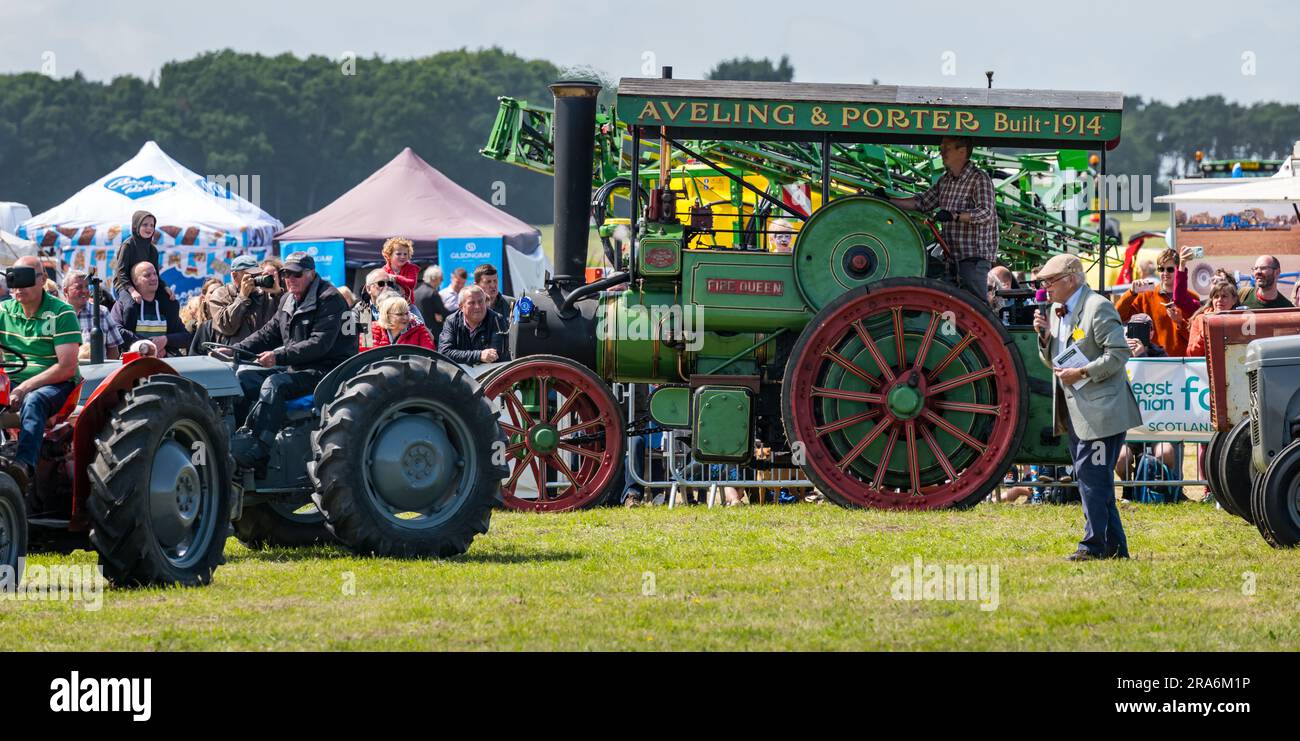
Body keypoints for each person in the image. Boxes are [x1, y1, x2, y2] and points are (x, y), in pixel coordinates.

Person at [1032, 253, 1141, 560]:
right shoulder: (1056, 311)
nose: (1046, 288)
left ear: (1072, 279)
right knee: (1095, 480)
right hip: (1078, 411)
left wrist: (1082, 373)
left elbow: (1119, 355)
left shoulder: (1099, 307)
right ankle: (1115, 548)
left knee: (1093, 480)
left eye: (1050, 281)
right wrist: (1044, 337)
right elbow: (1054, 359)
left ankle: (1093, 547)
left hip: (1102, 411)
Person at [214, 252, 355, 467]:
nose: (289, 278)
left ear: (311, 274)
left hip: (328, 371)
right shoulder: (289, 299)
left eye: (295, 274)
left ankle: (260, 452)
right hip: (298, 368)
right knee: (243, 379)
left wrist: (278, 356)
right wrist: (234, 350)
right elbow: (269, 333)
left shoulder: (329, 298)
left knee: (274, 384)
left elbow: (320, 344)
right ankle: (239, 440)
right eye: (285, 273)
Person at [877, 136, 998, 298]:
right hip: (950, 258)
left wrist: (954, 216)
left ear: (961, 152)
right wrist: (888, 201)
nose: (941, 152)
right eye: (941, 148)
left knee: (976, 307)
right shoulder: (945, 180)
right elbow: (922, 202)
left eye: (945, 148)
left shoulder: (979, 178)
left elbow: (986, 213)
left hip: (972, 259)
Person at [0, 256, 81, 482]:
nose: (18, 286)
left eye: (25, 279)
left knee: (33, 401)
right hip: (14, 381)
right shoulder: (3, 311)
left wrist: (23, 388)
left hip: (56, 384)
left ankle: (24, 467)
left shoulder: (61, 312)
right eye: (13, 279)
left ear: (43, 279)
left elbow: (66, 367)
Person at [1114, 247, 1195, 357]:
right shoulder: (1145, 296)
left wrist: (1180, 323)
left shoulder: (1191, 298)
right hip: (1154, 362)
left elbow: (1196, 338)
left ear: (1177, 269)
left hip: (1181, 365)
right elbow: (1117, 316)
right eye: (1161, 269)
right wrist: (1131, 292)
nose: (1165, 273)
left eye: (1170, 269)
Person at [110, 261, 191, 356]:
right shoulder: (124, 304)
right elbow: (115, 331)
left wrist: (166, 339)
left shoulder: (167, 305)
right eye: (147, 275)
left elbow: (186, 337)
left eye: (155, 274)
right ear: (135, 281)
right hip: (132, 365)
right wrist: (149, 346)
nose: (153, 278)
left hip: (163, 366)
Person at [205, 254, 281, 345]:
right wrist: (242, 297)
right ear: (234, 275)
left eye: (257, 274)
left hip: (264, 352)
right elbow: (227, 328)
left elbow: (283, 319)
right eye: (250, 275)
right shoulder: (220, 295)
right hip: (233, 353)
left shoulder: (264, 293)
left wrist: (278, 293)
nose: (254, 278)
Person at [438, 285, 509, 366]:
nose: (477, 306)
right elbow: (444, 353)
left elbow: (495, 355)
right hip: (460, 375)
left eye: (480, 301)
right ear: (461, 307)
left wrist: (466, 356)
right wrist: (479, 355)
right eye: (471, 303)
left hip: (489, 374)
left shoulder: (497, 319)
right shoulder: (452, 321)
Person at [61, 269, 124, 360]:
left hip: (98, 372)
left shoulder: (102, 312)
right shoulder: (57, 314)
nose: (85, 291)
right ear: (65, 291)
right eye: (78, 287)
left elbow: (113, 350)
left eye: (87, 286)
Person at [112, 210, 167, 305]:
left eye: (152, 225)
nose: (149, 228)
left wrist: (166, 288)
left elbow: (156, 274)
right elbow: (121, 272)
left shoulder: (152, 249)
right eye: (145, 224)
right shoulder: (127, 246)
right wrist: (132, 291)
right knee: (130, 306)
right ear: (136, 226)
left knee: (171, 302)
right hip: (125, 285)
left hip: (144, 286)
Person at [1186, 282, 1243, 357]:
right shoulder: (1200, 319)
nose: (1219, 300)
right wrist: (1204, 334)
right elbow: (1191, 353)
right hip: (1206, 366)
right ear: (1212, 300)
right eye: (1216, 297)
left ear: (1234, 300)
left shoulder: (1241, 319)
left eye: (1224, 296)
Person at [381, 237, 420, 303]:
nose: (403, 256)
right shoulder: (384, 270)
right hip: (389, 304)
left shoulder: (411, 268)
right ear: (389, 255)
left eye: (405, 254)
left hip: (408, 305)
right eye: (398, 254)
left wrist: (396, 278)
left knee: (417, 314)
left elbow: (412, 283)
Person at [414, 265, 449, 337]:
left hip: (417, 331)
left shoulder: (415, 292)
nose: (441, 282)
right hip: (432, 333)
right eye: (441, 279)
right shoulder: (432, 293)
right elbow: (444, 313)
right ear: (434, 278)